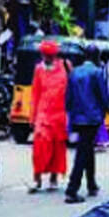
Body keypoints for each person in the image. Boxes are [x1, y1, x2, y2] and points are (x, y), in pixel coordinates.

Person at [64, 44, 109, 203]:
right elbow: (103, 95)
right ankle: (72, 189)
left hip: (78, 116)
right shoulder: (97, 72)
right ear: (97, 57)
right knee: (83, 152)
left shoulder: (75, 72)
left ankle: (91, 184)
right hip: (92, 117)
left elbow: (68, 97)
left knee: (87, 149)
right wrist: (106, 110)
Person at [29, 41, 69, 193]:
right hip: (43, 114)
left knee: (57, 149)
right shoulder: (38, 69)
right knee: (39, 147)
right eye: (44, 55)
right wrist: (32, 117)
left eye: (49, 55)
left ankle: (53, 178)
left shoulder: (65, 67)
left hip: (59, 114)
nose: (46, 57)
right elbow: (35, 93)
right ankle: (37, 179)